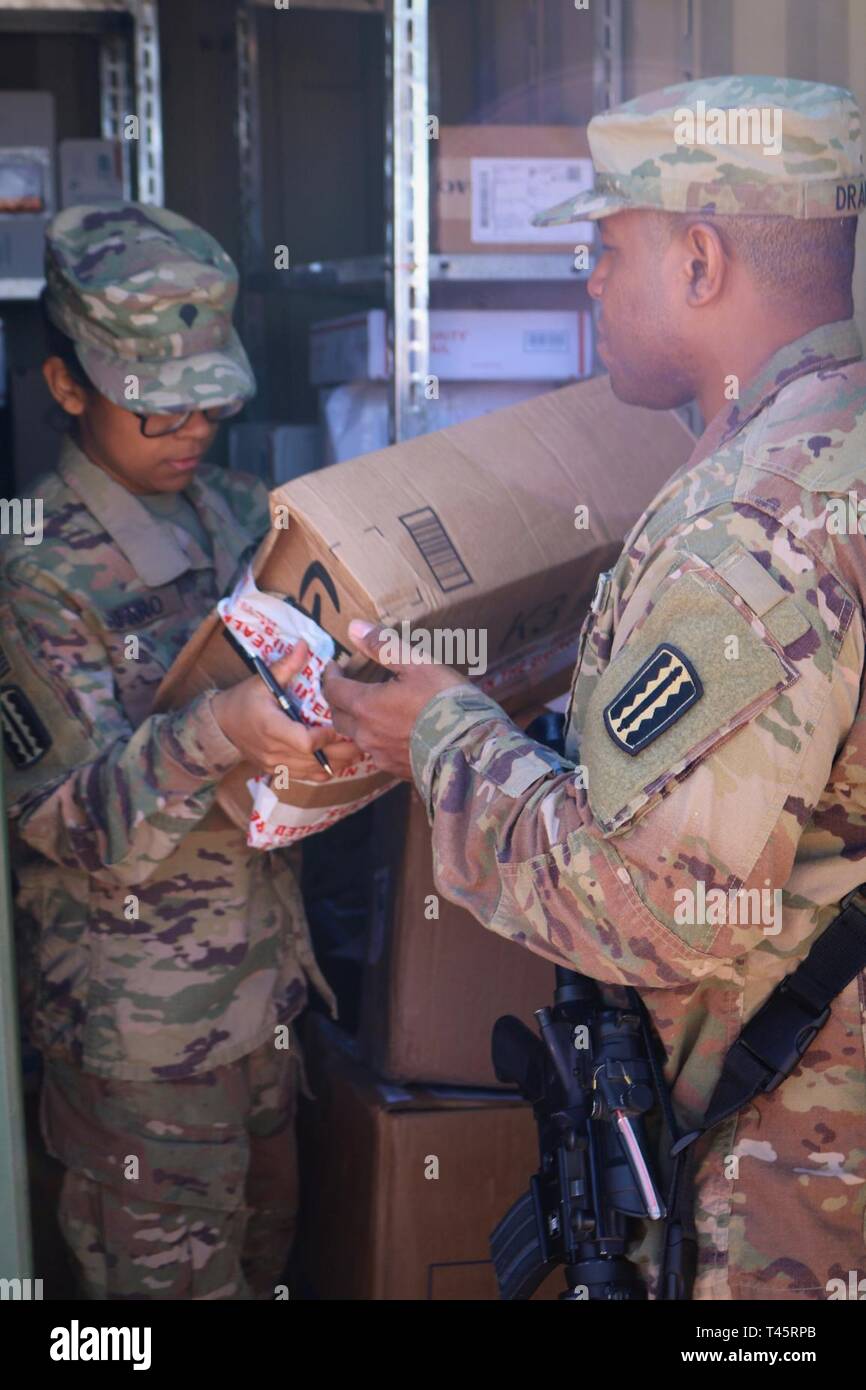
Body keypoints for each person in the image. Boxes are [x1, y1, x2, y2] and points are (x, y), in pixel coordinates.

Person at [324, 76, 866, 1301]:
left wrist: (441, 736)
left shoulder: (749, 530)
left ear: (694, 259)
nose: (587, 282)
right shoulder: (828, 447)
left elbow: (656, 909)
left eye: (601, 248)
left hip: (793, 1193)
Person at [1, 202, 358, 1299]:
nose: (189, 430)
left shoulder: (242, 515)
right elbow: (64, 822)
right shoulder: (39, 572)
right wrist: (221, 731)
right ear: (67, 387)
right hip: (141, 1047)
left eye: (207, 401)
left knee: (270, 1261)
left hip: (266, 1006)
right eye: (154, 410)